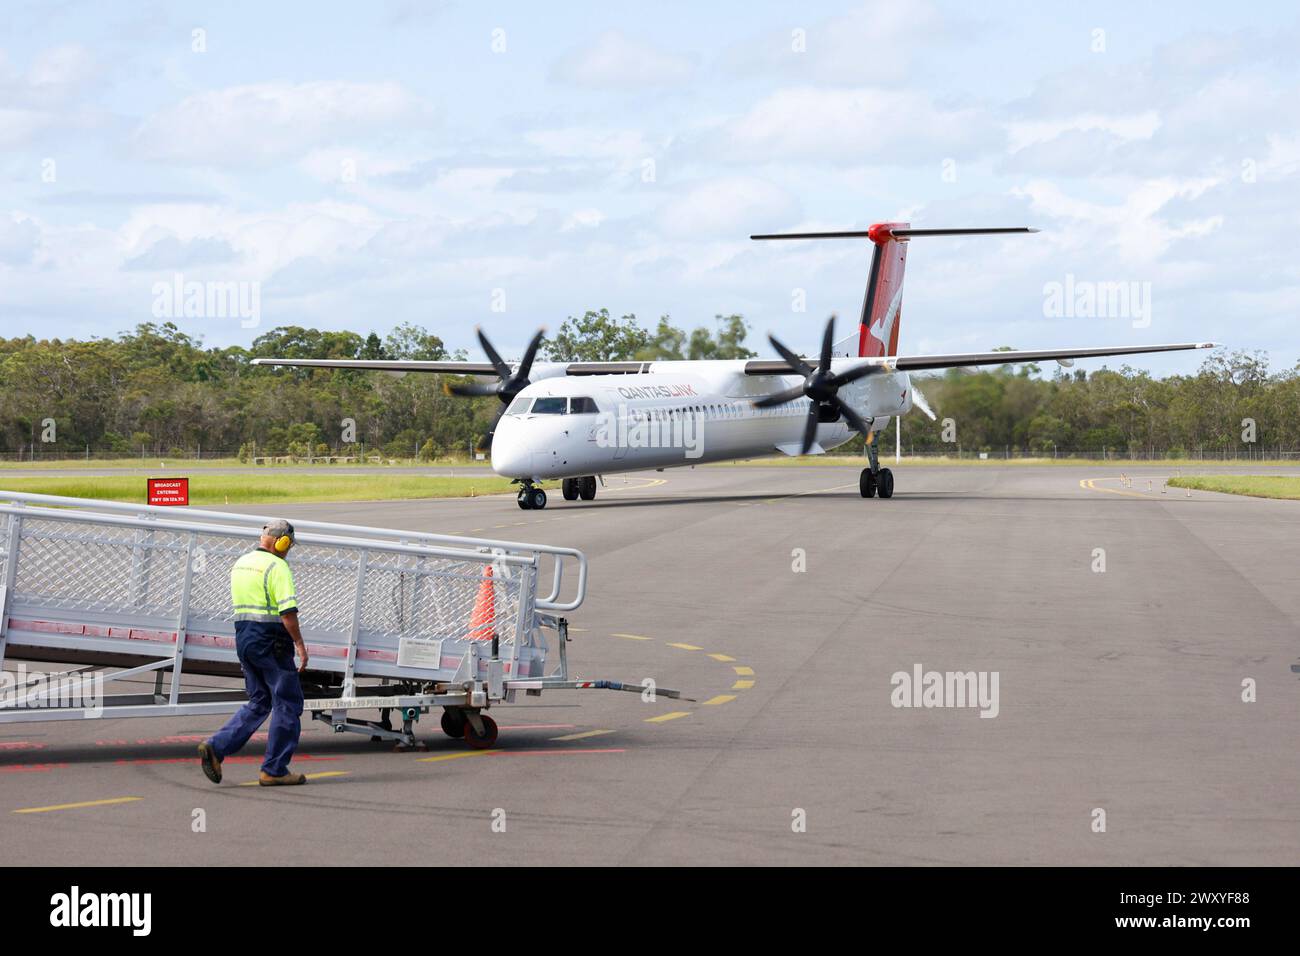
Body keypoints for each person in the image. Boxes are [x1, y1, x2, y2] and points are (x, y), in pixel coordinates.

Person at [198, 519, 309, 786]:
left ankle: (217, 746)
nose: (288, 549)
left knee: (260, 701)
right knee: (288, 703)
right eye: (289, 544)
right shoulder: (277, 567)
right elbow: (287, 614)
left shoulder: (242, 563)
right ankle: (274, 769)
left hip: (245, 638)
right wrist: (300, 645)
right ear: (282, 542)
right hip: (271, 641)